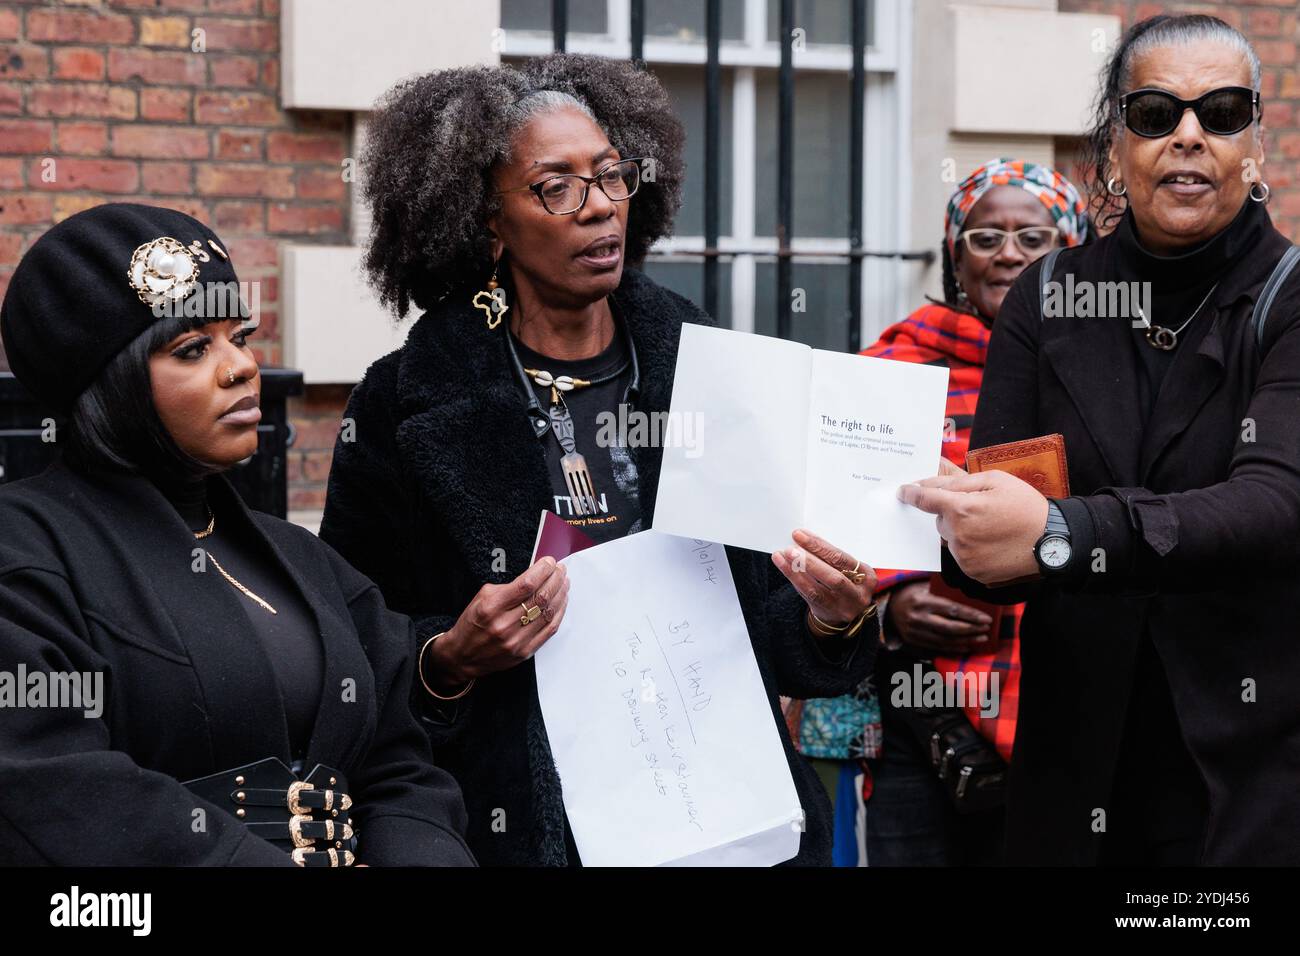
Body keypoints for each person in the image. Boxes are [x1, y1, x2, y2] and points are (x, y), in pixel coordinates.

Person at [320, 53, 879, 866]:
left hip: (725, 818)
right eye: (556, 187)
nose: (599, 210)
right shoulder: (403, 402)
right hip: (518, 826)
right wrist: (448, 657)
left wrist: (835, 616)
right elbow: (353, 645)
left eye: (612, 177)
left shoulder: (705, 371)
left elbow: (776, 638)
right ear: (486, 219)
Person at [899, 15, 1300, 865]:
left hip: (1248, 774)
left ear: (1253, 144)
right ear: (1115, 146)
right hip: (1074, 773)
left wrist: (1059, 533)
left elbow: (1274, 505)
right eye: (1155, 114)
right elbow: (987, 557)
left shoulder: (1288, 299)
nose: (1189, 135)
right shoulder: (1049, 298)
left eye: (1221, 112)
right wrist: (948, 525)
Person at [0, 203, 475, 867]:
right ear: (109, 387)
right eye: (193, 349)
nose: (242, 367)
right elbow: (58, 792)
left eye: (240, 337)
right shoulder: (24, 552)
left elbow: (401, 766)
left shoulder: (302, 560)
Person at [790, 159, 1089, 866]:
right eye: (985, 236)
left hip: (1064, 696)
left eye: (1034, 237)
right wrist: (889, 610)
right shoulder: (894, 373)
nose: (1009, 252)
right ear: (956, 256)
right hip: (917, 716)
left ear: (1072, 253)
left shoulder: (1100, 373)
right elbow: (834, 524)